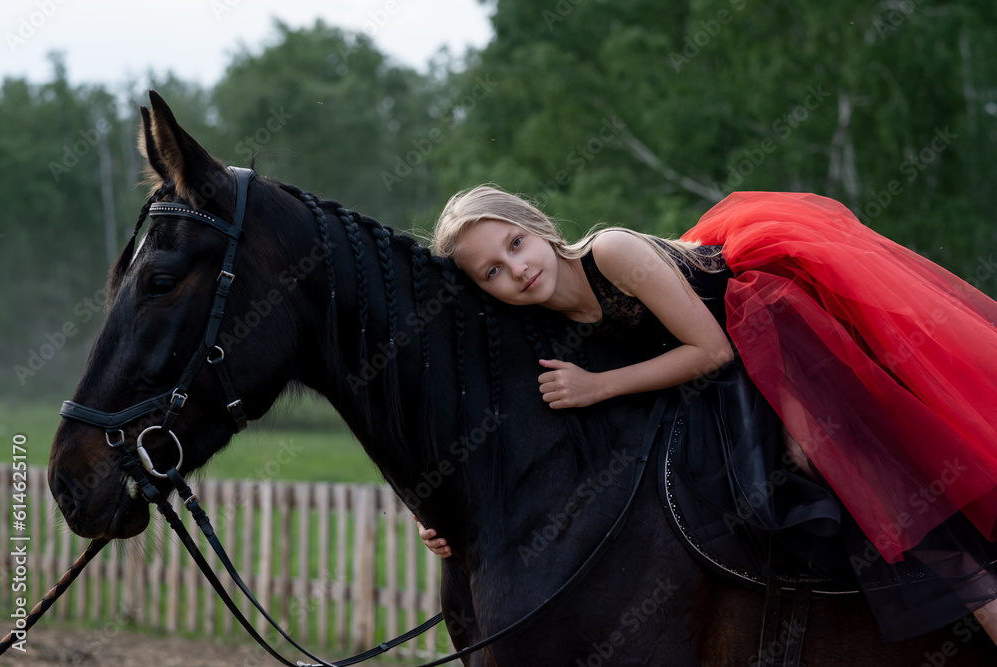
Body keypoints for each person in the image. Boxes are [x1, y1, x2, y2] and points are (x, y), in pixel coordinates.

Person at [416, 186, 997, 643]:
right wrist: (444, 518)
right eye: (492, 272)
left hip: (764, 331)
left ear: (538, 226)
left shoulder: (610, 253)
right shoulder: (537, 319)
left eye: (515, 243)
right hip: (710, 386)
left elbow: (712, 350)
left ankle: (974, 584)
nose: (516, 269)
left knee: (816, 453)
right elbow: (504, 421)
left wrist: (598, 385)